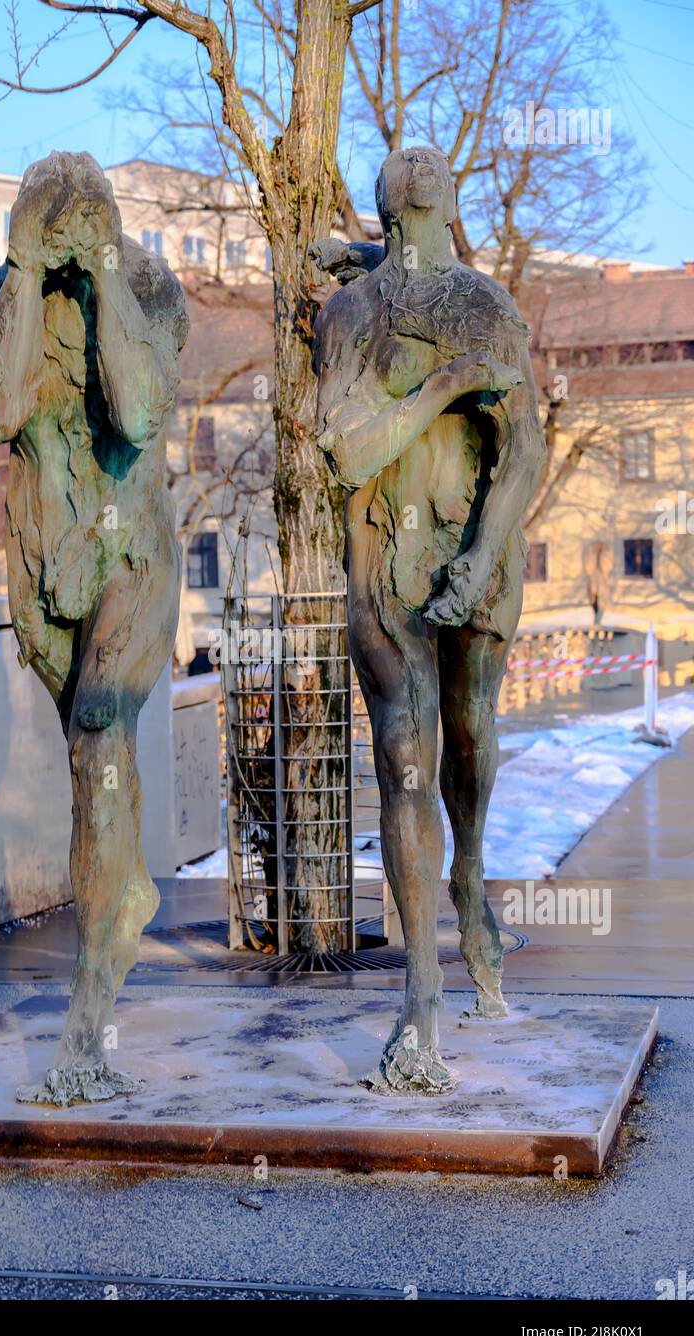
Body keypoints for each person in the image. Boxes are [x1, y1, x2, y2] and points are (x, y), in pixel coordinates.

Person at [312, 147, 545, 1093]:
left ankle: (470, 869)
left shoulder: (485, 303)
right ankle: (420, 995)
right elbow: (347, 453)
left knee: (471, 734)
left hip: (475, 551)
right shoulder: (350, 316)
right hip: (384, 563)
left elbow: (523, 448)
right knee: (404, 755)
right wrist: (443, 388)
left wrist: (484, 553)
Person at [0, 152, 188, 1104]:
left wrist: (99, 267)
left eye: (78, 215)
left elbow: (135, 412)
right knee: (93, 770)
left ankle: (86, 1025)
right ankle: (122, 896)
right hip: (41, 563)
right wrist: (22, 265)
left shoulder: (148, 285)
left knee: (100, 730)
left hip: (130, 555)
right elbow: (4, 408)